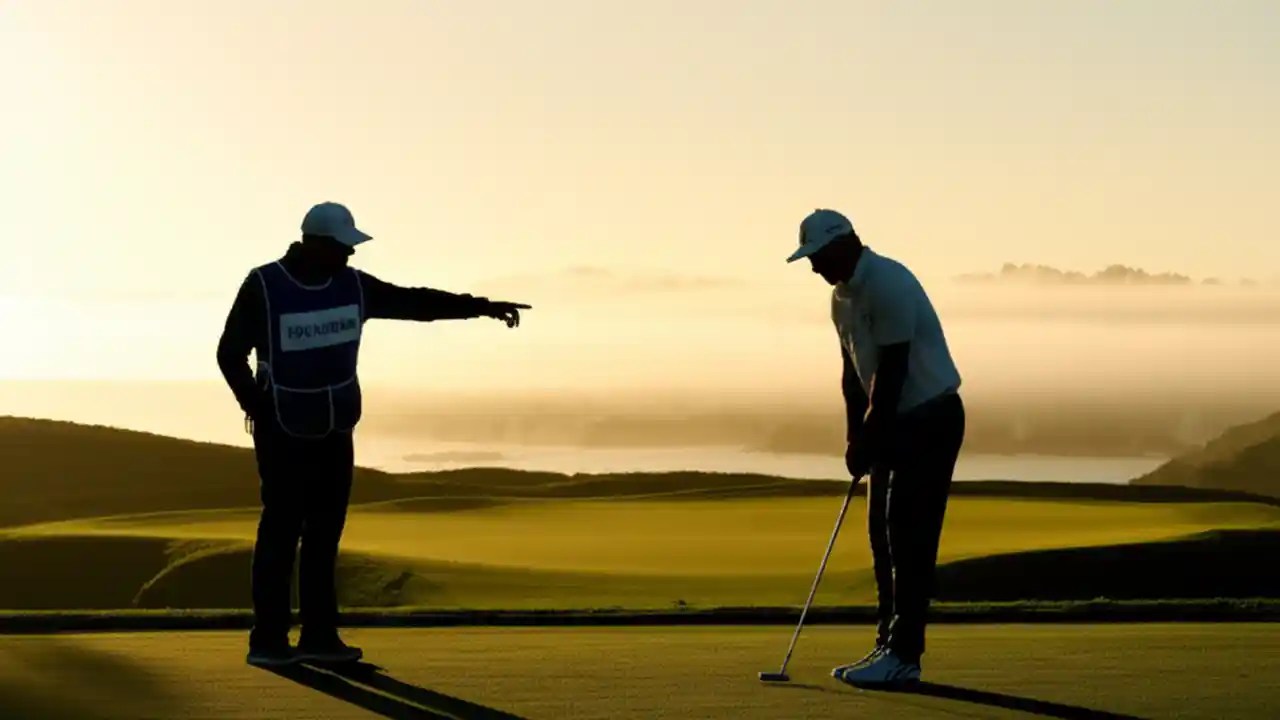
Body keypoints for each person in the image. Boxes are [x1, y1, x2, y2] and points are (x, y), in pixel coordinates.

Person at [217, 201, 530, 667]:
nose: (350, 256)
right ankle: (268, 641)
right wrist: (258, 406)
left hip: (335, 426)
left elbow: (415, 303)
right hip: (282, 430)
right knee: (281, 533)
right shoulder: (263, 285)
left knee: (324, 535)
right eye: (343, 247)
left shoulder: (352, 286)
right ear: (316, 244)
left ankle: (319, 638)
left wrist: (480, 308)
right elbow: (229, 353)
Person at [786, 208, 965, 687]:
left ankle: (906, 655)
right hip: (892, 421)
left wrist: (869, 435)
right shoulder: (839, 299)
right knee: (880, 536)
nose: (813, 268)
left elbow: (892, 373)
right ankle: (888, 644)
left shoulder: (887, 282)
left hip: (930, 417)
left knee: (909, 536)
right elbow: (853, 375)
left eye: (818, 256)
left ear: (845, 244)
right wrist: (854, 436)